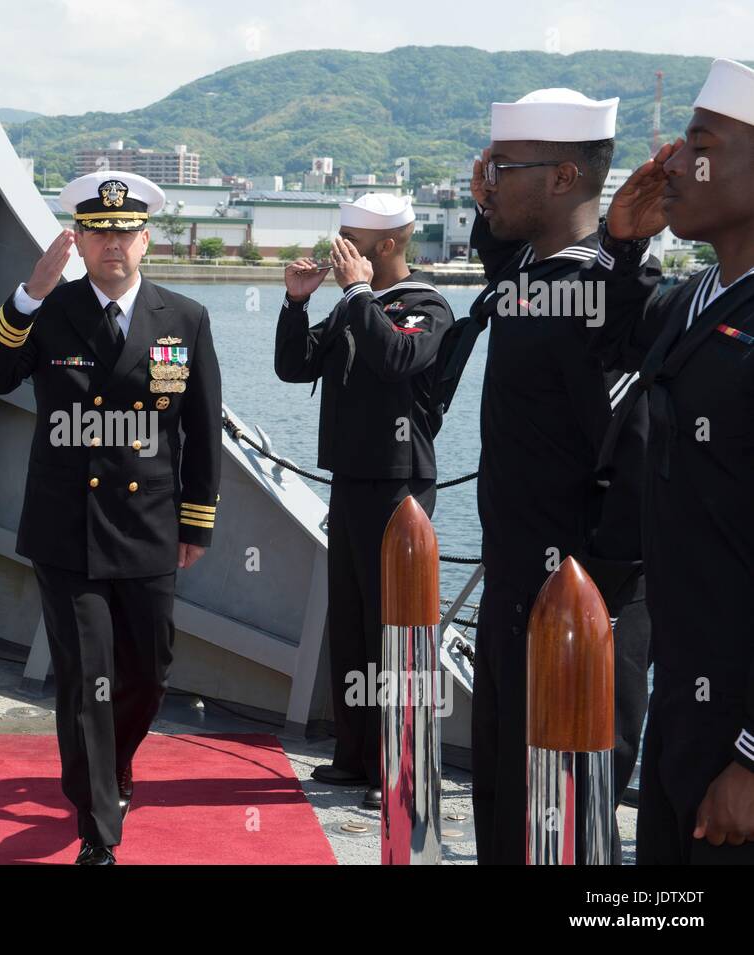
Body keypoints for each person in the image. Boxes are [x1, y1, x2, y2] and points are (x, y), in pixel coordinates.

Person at [0, 170, 222, 864]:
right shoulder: (49, 310)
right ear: (77, 240)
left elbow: (201, 432)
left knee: (149, 673)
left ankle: (115, 767)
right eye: (99, 230)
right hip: (67, 526)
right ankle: (99, 827)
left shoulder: (185, 319)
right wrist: (28, 294)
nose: (114, 242)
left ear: (146, 239)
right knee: (86, 676)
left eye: (125, 231)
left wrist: (195, 524)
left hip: (148, 528)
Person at [468, 88, 654, 864]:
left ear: (562, 177)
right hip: (515, 597)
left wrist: (588, 605)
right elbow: (505, 261)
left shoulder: (607, 305)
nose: (485, 175)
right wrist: (489, 205)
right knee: (506, 824)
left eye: (504, 166)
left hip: (580, 615)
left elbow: (635, 467)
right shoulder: (529, 276)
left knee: (563, 834)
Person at [588, 57, 754, 862]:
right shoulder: (698, 298)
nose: (674, 163)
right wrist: (619, 248)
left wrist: (753, 756)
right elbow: (612, 341)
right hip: (681, 699)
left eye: (702, 142)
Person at [274, 194, 453, 810]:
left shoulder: (426, 306)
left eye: (348, 238)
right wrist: (297, 303)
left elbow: (397, 358)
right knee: (350, 628)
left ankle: (401, 769)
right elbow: (294, 367)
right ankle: (355, 758)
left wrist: (355, 297)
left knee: (396, 634)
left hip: (400, 491)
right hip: (349, 483)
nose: (336, 249)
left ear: (384, 247)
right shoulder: (360, 307)